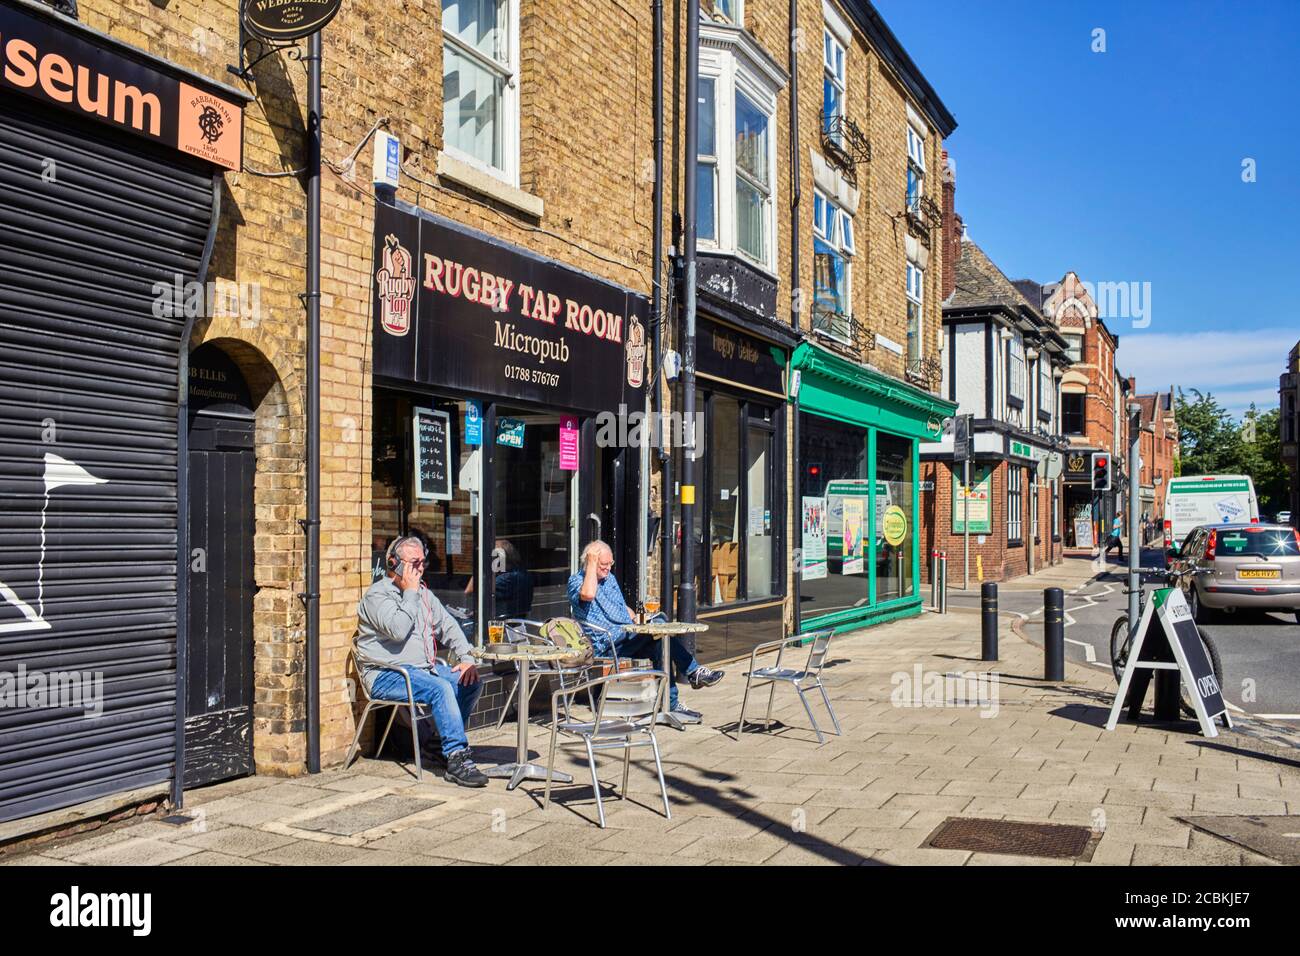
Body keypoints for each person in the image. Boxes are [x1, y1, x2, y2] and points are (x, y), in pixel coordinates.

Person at [357, 535, 487, 787]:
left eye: (422, 563)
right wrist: (411, 593)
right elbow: (398, 629)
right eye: (413, 563)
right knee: (440, 688)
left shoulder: (423, 595)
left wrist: (467, 658)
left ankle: (439, 743)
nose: (420, 569)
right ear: (394, 563)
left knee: (468, 680)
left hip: (422, 671)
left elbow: (448, 626)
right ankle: (457, 758)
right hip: (387, 674)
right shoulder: (377, 596)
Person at [566, 539, 723, 720]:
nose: (608, 568)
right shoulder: (576, 581)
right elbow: (588, 594)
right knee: (661, 629)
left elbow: (622, 607)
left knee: (661, 641)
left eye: (611, 563)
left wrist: (639, 618)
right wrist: (592, 564)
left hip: (627, 635)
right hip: (607, 643)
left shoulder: (610, 579)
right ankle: (693, 671)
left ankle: (671, 705)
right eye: (603, 564)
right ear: (590, 561)